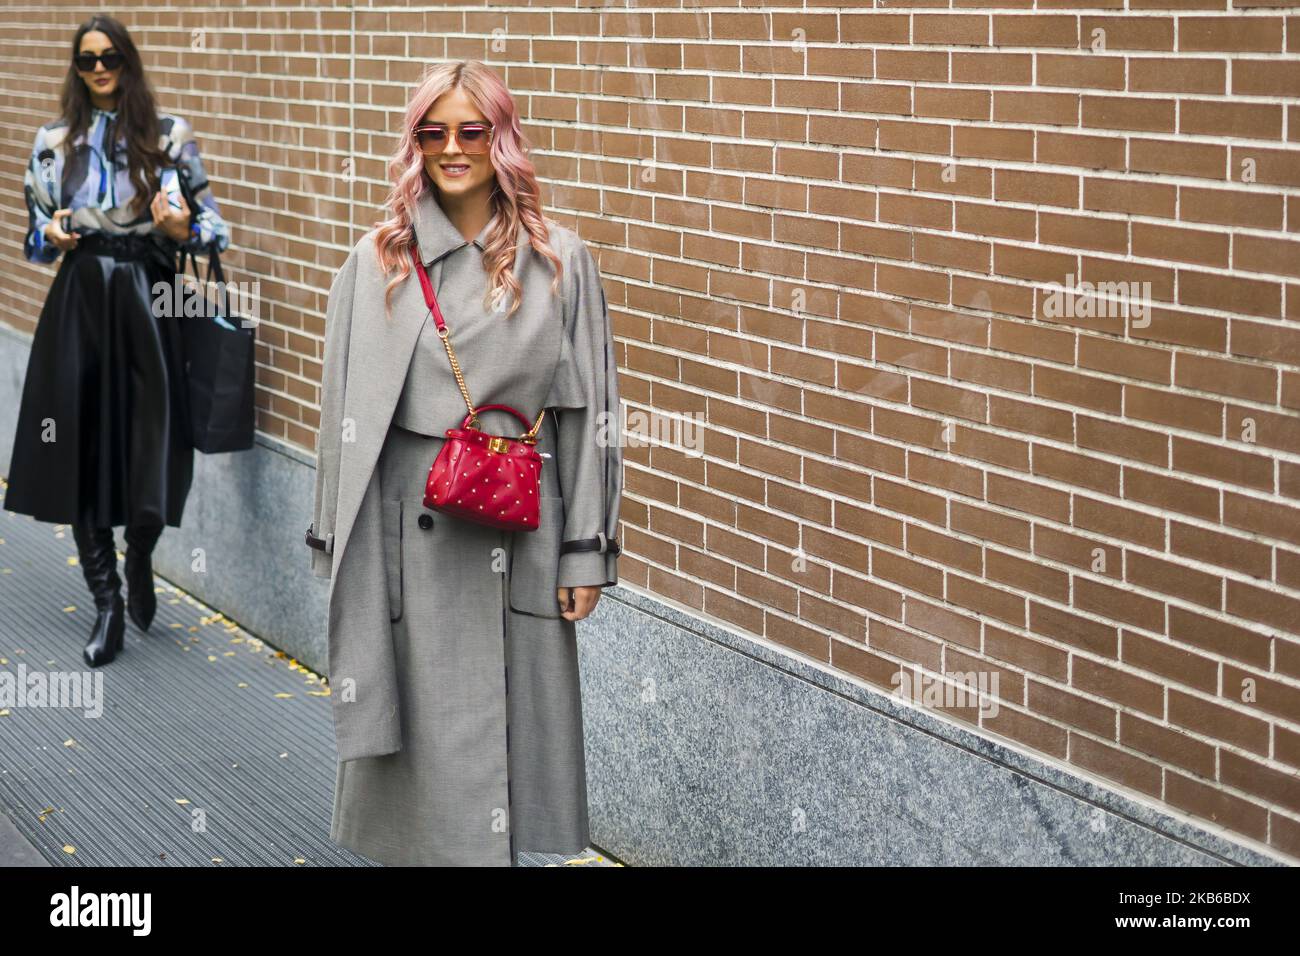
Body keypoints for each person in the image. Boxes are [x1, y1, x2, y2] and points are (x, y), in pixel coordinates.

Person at [307, 59, 623, 866]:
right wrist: (331, 540)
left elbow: (589, 418)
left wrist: (585, 546)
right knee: (422, 778)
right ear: (415, 143)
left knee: (505, 773)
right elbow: (339, 413)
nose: (453, 148)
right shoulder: (374, 262)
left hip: (516, 532)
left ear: (501, 140)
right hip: (407, 536)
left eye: (471, 130)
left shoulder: (559, 262)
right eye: (433, 131)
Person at [6, 15, 231, 667]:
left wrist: (183, 226)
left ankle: (139, 559)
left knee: (154, 443)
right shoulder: (54, 142)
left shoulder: (167, 139)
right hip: (81, 300)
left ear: (127, 62)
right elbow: (33, 240)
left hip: (149, 299)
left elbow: (215, 228)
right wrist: (49, 237)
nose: (99, 68)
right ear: (76, 70)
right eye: (86, 60)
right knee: (79, 446)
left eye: (109, 57)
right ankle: (105, 600)